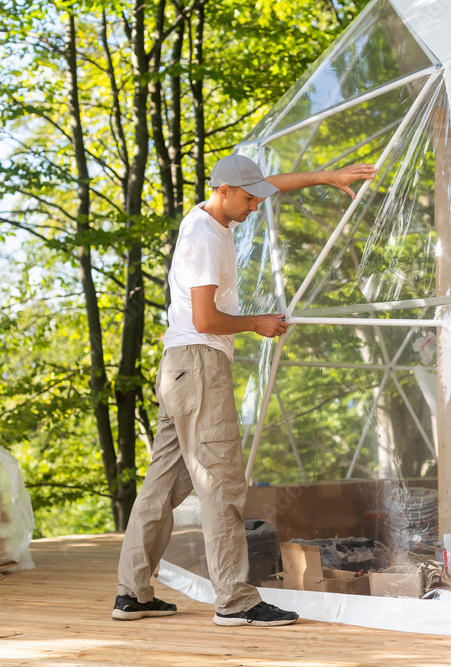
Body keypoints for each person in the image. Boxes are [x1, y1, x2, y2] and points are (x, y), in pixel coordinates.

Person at [112, 154, 377, 627]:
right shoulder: (203, 239)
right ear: (224, 191)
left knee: (161, 486)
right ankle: (234, 601)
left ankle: (131, 594)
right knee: (222, 483)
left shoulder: (212, 214)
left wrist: (328, 177)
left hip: (179, 370)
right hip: (199, 365)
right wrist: (257, 323)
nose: (255, 206)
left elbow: (270, 183)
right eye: (250, 199)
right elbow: (205, 319)